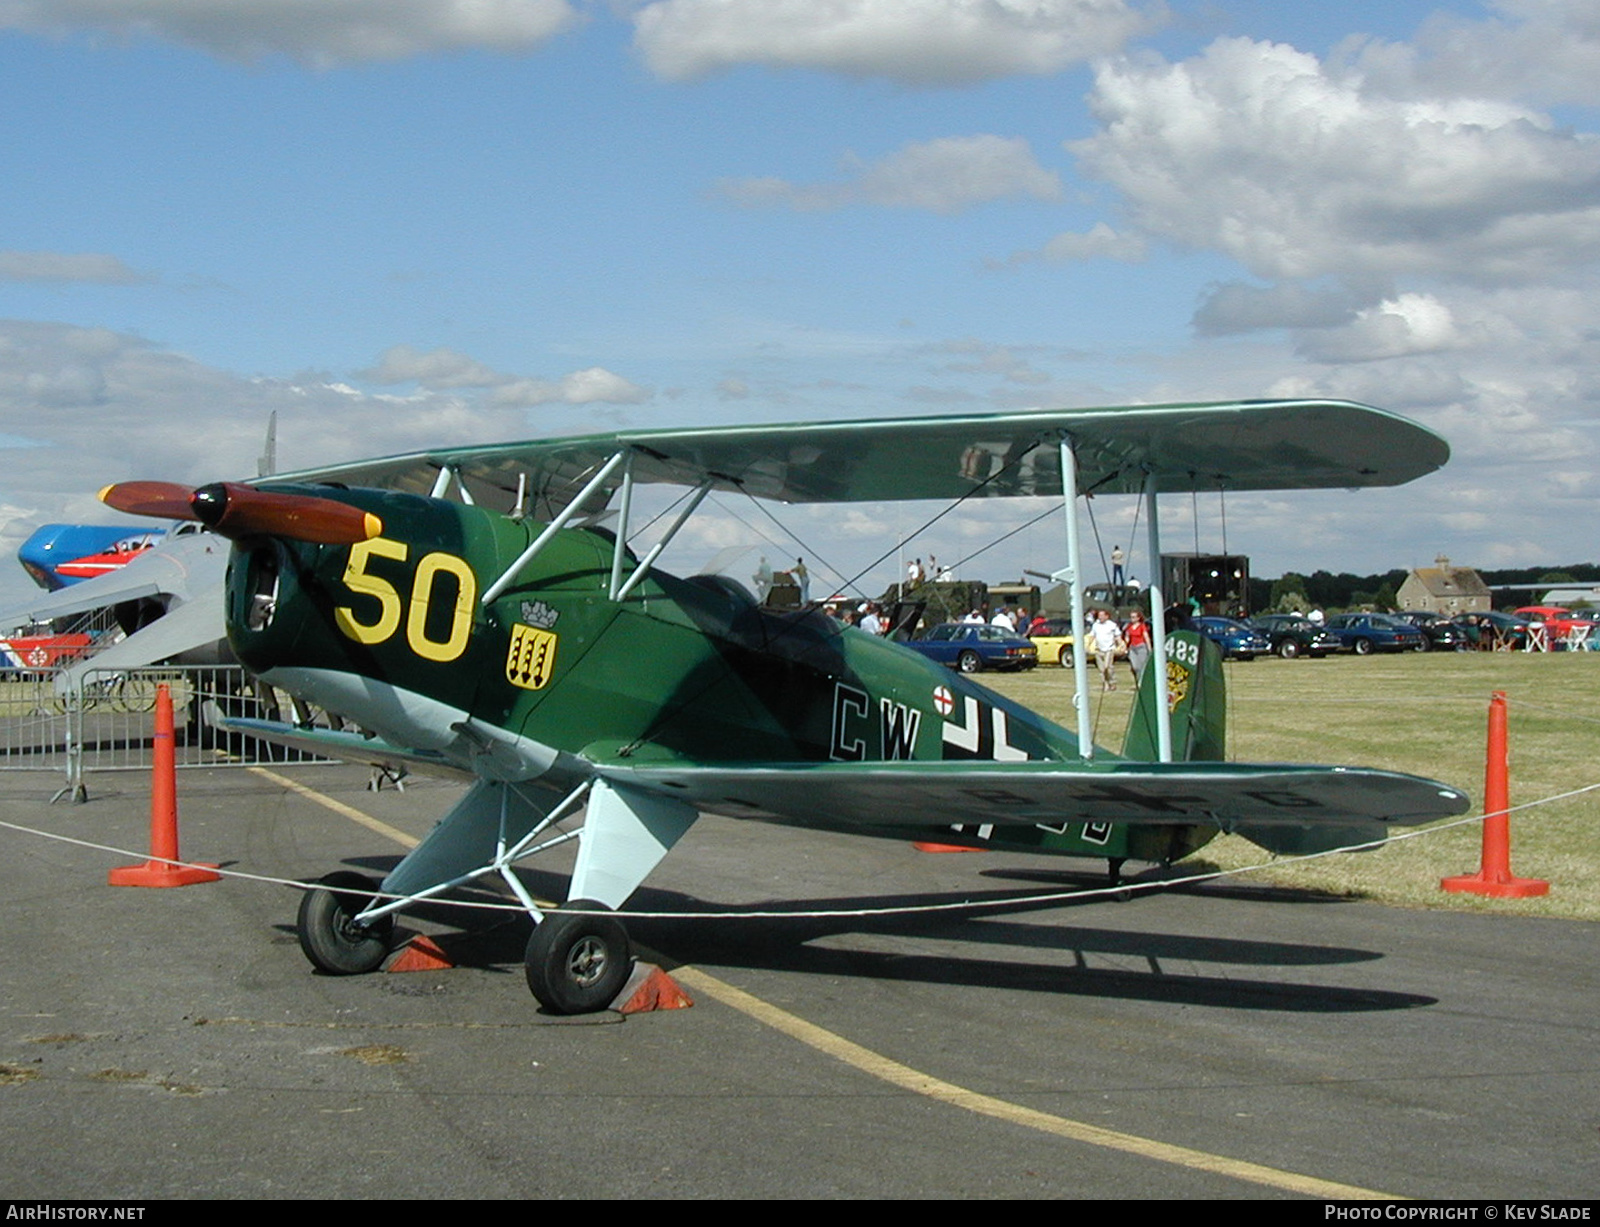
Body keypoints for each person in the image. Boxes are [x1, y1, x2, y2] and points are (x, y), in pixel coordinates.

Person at [1090, 608, 1124, 692]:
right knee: (1101, 669)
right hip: (1098, 649)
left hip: (1109, 649)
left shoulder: (1112, 625)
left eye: (1102, 615)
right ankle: (1105, 684)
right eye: (1099, 615)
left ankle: (1112, 682)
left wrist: (1121, 645)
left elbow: (1117, 637)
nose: (1100, 617)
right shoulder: (1095, 625)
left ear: (1107, 616)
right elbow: (1092, 636)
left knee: (1107, 667)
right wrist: (1088, 645)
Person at [1123, 608, 1150, 683]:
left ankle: (1142, 682)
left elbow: (1146, 637)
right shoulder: (1129, 626)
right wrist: (1125, 646)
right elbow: (1127, 637)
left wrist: (1149, 648)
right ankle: (1138, 680)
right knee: (1134, 667)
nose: (1132, 619)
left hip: (1141, 647)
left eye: (1134, 617)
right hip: (1132, 648)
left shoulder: (1142, 626)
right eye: (1131, 617)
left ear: (1138, 618)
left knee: (1141, 666)